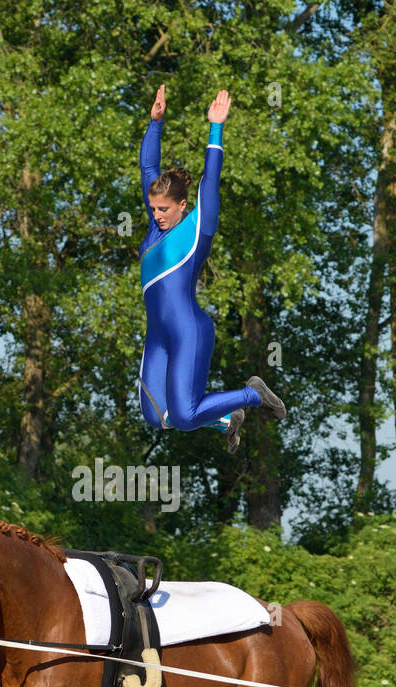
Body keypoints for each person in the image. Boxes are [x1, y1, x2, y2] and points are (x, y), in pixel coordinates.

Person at [137, 83, 285, 453]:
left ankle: (251, 395)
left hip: (189, 330)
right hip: (158, 336)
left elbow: (211, 179)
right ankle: (224, 419)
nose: (156, 215)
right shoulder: (155, 230)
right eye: (153, 208)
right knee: (157, 416)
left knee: (185, 416)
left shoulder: (198, 225)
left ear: (183, 205)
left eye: (164, 209)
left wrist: (215, 127)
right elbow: (148, 167)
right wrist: (156, 123)